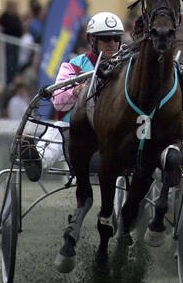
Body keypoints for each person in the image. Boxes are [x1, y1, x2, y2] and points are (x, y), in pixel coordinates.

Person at [37, 12, 126, 180]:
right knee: (57, 128)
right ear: (92, 40)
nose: (113, 44)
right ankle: (38, 160)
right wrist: (76, 91)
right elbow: (58, 103)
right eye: (106, 39)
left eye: (116, 38)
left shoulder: (128, 67)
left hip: (113, 135)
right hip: (76, 134)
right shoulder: (74, 66)